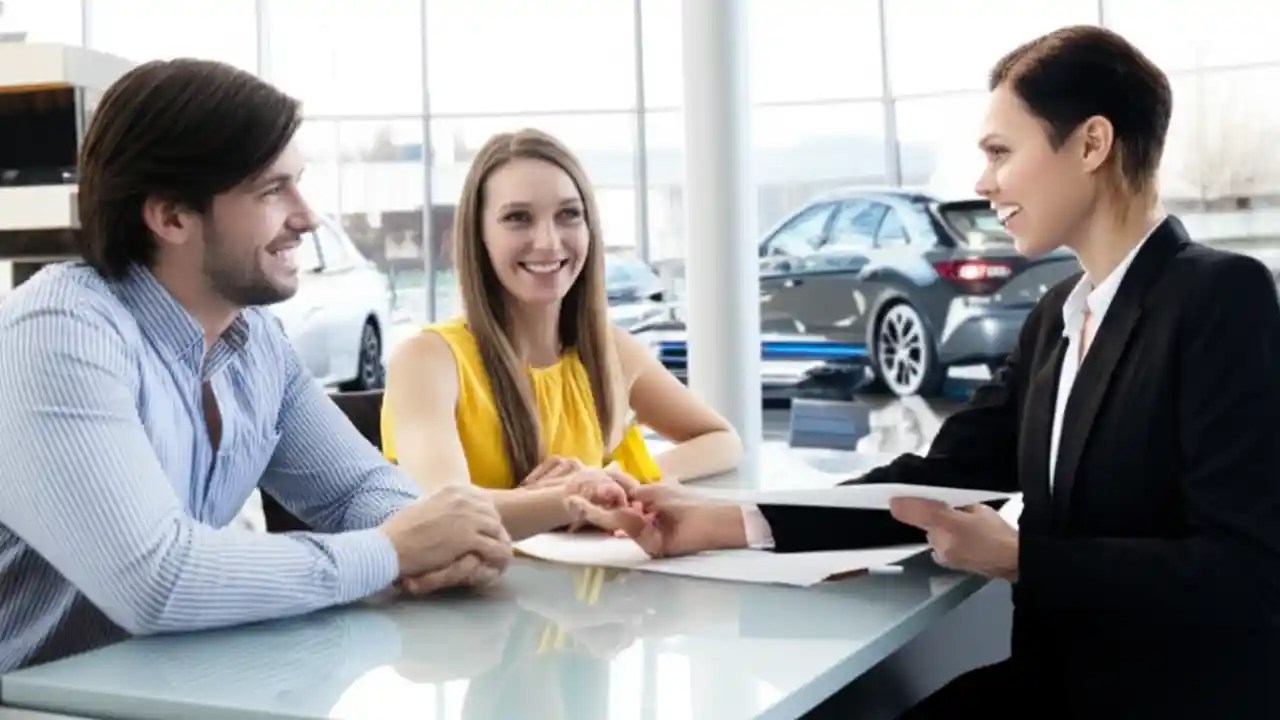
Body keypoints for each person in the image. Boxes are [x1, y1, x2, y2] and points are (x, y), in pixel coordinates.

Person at [577, 25, 1280, 719]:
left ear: (1092, 144)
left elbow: (1248, 574)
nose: (984, 181)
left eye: (1001, 152)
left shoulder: (1220, 297)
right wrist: (714, 522)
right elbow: (932, 479)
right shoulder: (1057, 321)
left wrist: (1023, 557)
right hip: (1053, 687)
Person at [0, 59, 521, 672]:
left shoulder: (257, 344)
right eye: (273, 190)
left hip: (163, 690)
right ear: (171, 216)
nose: (308, 216)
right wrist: (390, 551)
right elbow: (157, 580)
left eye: (297, 183)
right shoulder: (59, 332)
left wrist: (438, 542)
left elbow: (360, 489)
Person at [381, 129, 743, 540]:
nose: (549, 241)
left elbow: (722, 440)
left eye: (569, 214)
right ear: (479, 235)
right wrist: (580, 495)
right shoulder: (427, 360)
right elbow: (445, 510)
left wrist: (612, 477)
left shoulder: (611, 351)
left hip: (589, 597)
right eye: (517, 218)